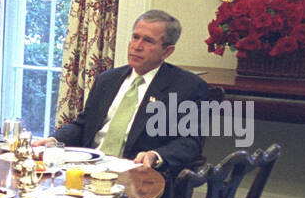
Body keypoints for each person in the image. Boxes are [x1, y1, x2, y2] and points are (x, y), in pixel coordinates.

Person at [50, 9, 208, 173]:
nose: (137, 46)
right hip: (89, 168)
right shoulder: (107, 80)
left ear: (167, 51)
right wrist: (54, 140)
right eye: (135, 37)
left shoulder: (188, 87)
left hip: (137, 173)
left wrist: (155, 155)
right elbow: (83, 126)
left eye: (148, 41)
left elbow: (190, 142)